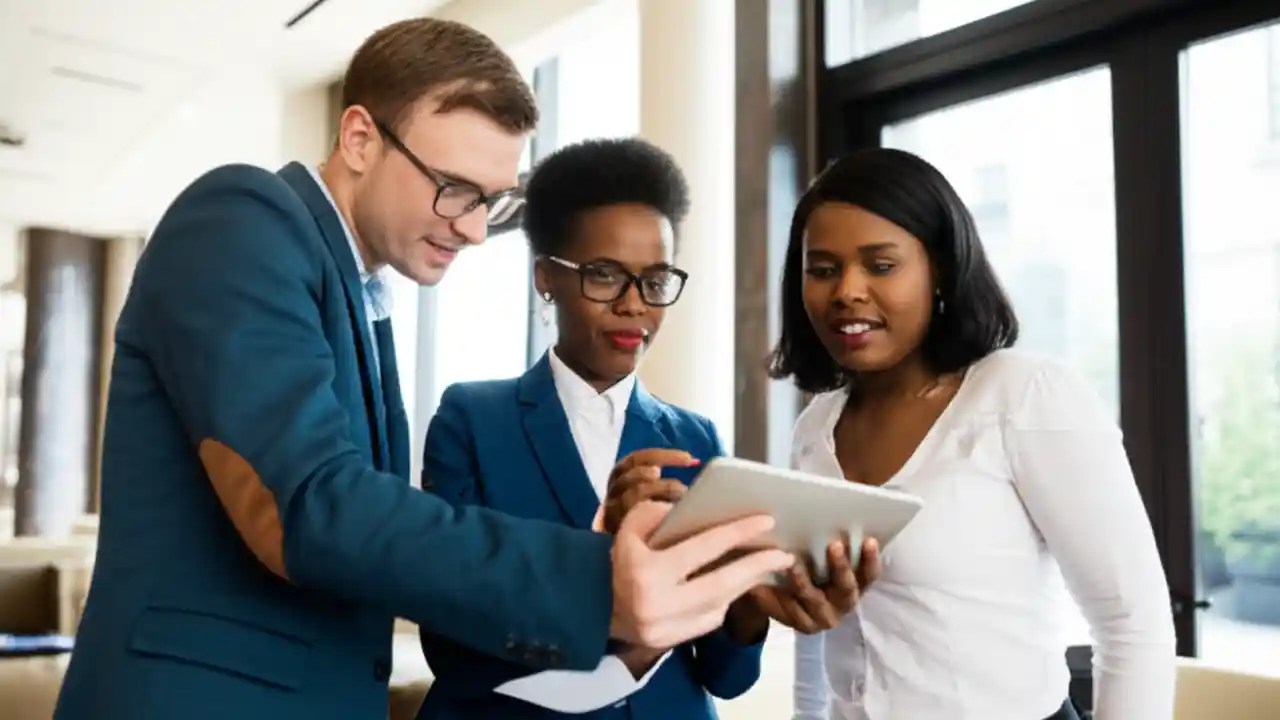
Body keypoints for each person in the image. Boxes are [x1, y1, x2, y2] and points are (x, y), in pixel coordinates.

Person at [53, 20, 794, 720]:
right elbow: (309, 505)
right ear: (360, 138)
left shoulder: (361, 297)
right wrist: (598, 581)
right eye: (455, 188)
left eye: (492, 202)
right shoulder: (244, 218)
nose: (473, 228)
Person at [416, 137, 879, 719]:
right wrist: (601, 549)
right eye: (605, 276)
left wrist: (747, 601)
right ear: (545, 279)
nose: (635, 306)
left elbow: (727, 677)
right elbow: (448, 645)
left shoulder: (695, 440)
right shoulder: (473, 419)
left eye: (656, 281)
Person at [769, 149, 1176, 720]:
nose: (847, 292)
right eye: (823, 269)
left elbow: (1134, 626)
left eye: (881, 266)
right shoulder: (815, 429)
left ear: (940, 269)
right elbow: (816, 634)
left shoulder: (1022, 395)